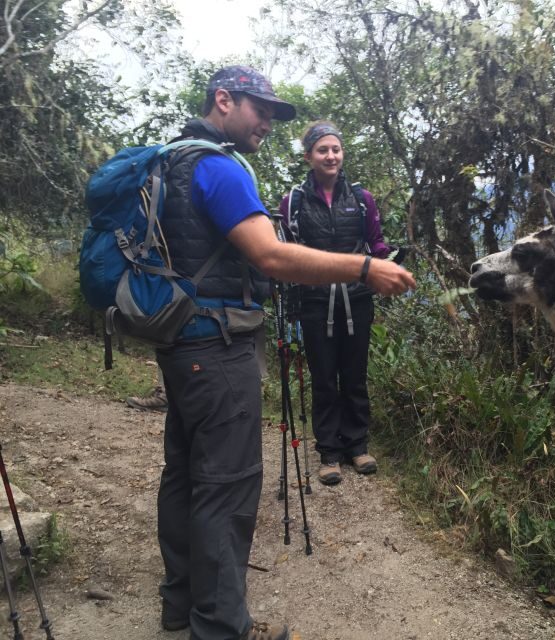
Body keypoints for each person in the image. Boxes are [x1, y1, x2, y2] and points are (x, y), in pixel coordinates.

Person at [153, 67, 415, 640]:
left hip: (179, 341)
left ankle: (181, 605)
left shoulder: (172, 158)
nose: (267, 121)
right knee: (226, 482)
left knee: (185, 472)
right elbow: (271, 257)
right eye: (259, 109)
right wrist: (366, 267)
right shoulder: (217, 167)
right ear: (224, 100)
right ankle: (221, 625)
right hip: (218, 346)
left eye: (273, 113)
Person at [279, 122, 392, 487]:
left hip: (357, 300)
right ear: (309, 155)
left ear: (342, 154)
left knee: (354, 374)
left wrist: (386, 264)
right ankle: (329, 451)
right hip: (314, 301)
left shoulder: (361, 198)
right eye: (323, 150)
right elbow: (287, 252)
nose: (331, 156)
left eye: (336, 149)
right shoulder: (293, 202)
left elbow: (375, 243)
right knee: (324, 376)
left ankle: (357, 446)